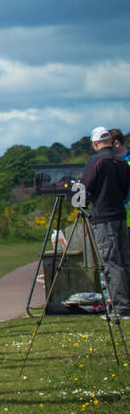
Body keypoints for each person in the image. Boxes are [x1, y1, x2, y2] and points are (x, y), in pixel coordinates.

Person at [81, 127, 130, 318]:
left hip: (103, 216)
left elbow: (84, 188)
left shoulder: (96, 160)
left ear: (95, 144)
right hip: (120, 214)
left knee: (111, 262)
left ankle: (121, 307)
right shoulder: (121, 160)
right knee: (125, 260)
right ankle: (126, 302)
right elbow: (125, 189)